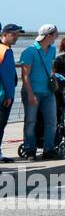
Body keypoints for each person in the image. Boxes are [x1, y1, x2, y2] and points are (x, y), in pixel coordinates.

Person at [18, 24, 60, 158]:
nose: (57, 37)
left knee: (51, 121)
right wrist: (30, 94)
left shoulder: (52, 49)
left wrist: (54, 80)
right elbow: (24, 75)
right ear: (48, 36)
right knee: (30, 121)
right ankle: (30, 149)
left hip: (48, 92)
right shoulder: (29, 52)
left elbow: (51, 67)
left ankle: (48, 150)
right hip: (33, 91)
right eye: (55, 35)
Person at [0, 23, 22, 163]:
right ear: (4, 34)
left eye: (18, 34)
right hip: (3, 96)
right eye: (13, 34)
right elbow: (7, 75)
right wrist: (8, 95)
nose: (16, 37)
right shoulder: (5, 50)